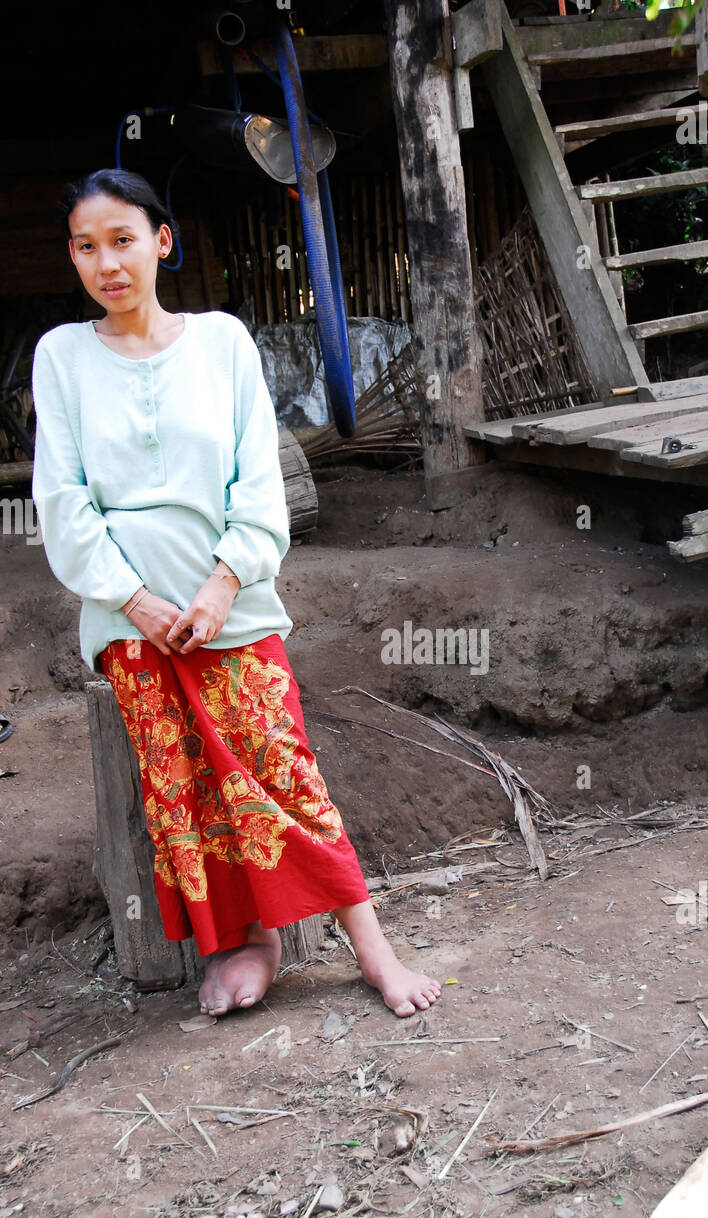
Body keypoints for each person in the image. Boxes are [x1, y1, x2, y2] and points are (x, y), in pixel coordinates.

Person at [31, 168, 441, 1020]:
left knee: (282, 773)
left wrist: (222, 585)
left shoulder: (220, 341)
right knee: (180, 785)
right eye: (86, 246)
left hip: (232, 606)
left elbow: (258, 482)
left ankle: (374, 949)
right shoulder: (62, 357)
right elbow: (63, 505)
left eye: (122, 240)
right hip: (130, 620)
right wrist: (135, 602)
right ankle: (243, 942)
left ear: (161, 242)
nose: (107, 262)